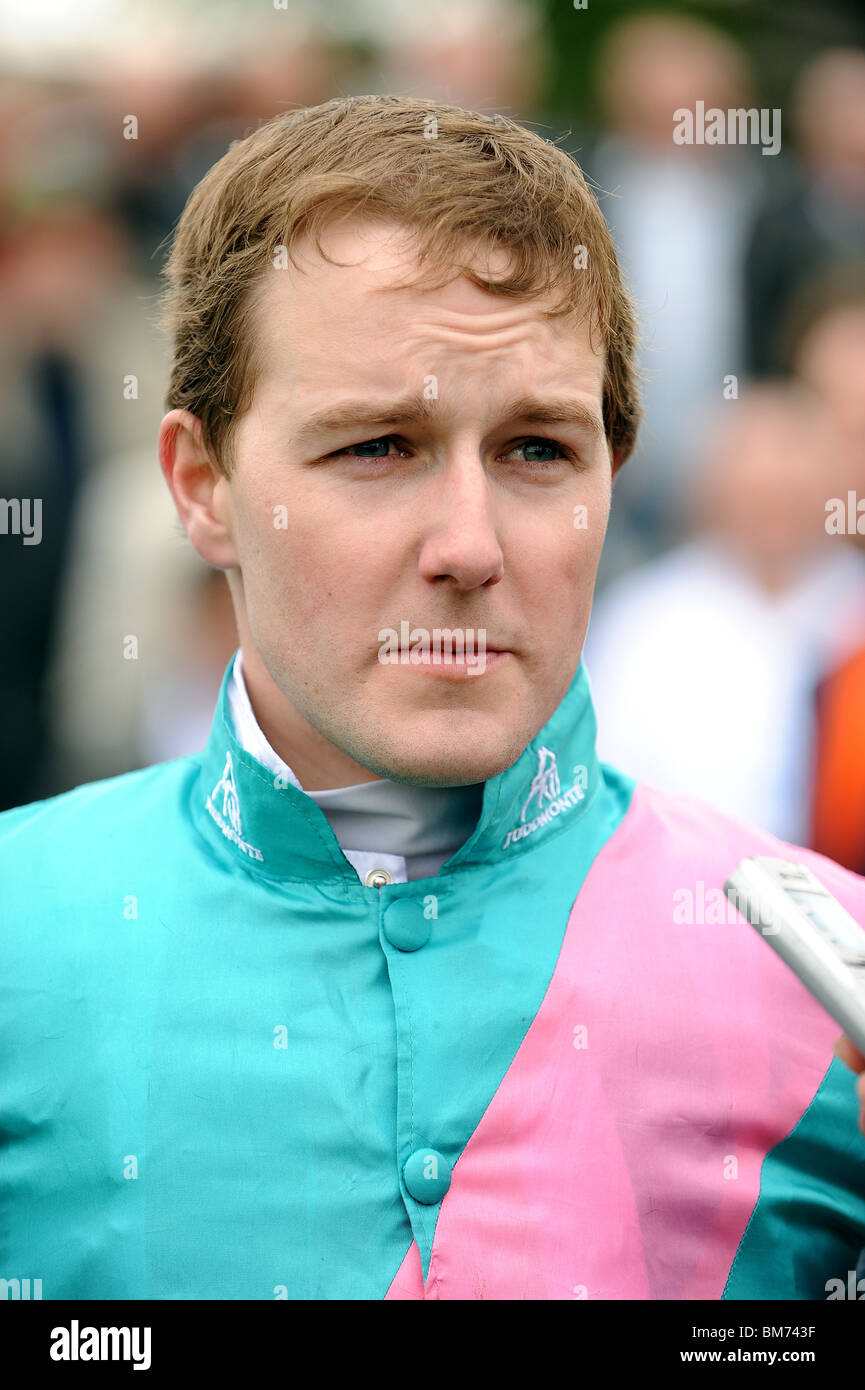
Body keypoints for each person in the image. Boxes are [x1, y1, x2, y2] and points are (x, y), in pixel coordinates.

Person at [2, 94, 865, 1303]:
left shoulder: (829, 979)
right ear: (201, 488)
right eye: (376, 448)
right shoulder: (19, 939)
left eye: (535, 451)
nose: (468, 544)